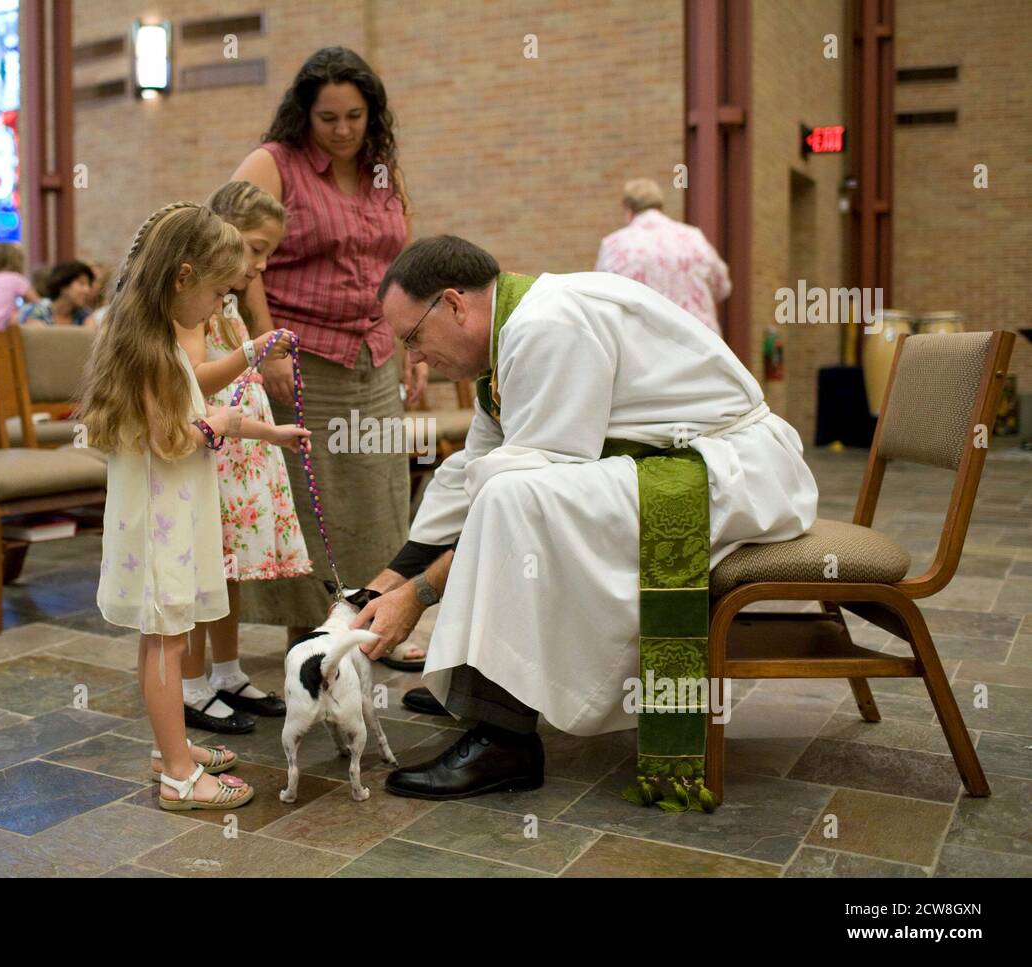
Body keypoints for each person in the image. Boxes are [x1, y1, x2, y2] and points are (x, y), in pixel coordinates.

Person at [348, 236, 817, 800]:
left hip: (732, 475)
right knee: (497, 486)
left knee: (516, 500)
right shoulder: (508, 341)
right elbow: (466, 475)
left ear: (454, 304)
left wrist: (417, 596)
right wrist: (373, 591)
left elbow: (519, 495)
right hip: (685, 462)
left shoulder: (547, 326)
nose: (414, 358)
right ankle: (480, 679)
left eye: (413, 338)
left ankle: (504, 737)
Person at [79, 202, 309, 810]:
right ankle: (180, 777)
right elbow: (175, 436)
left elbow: (194, 396)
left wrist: (267, 432)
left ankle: (168, 746)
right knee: (166, 640)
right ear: (182, 278)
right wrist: (227, 423)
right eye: (215, 293)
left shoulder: (155, 337)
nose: (217, 309)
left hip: (172, 512)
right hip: (160, 520)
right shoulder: (148, 348)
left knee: (169, 635)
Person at [229, 46, 430, 668]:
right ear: (304, 115)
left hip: (371, 350)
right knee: (313, 501)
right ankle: (314, 632)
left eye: (355, 116)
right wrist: (265, 348)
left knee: (378, 494)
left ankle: (378, 623)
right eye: (328, 118)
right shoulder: (274, 164)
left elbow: (397, 260)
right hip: (301, 354)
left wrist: (412, 340)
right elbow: (237, 252)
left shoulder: (379, 168)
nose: (343, 130)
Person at [173, 181, 314, 734]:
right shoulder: (192, 304)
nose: (261, 264)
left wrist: (269, 432)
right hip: (202, 451)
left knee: (226, 568)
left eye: (269, 253)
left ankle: (227, 672)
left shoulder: (226, 304)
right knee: (198, 571)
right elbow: (194, 381)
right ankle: (188, 685)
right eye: (255, 248)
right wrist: (253, 350)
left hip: (239, 448)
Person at [595, 178, 732, 335]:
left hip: (646, 346)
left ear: (628, 210)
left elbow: (602, 298)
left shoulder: (614, 244)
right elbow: (723, 286)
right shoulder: (693, 237)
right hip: (701, 342)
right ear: (660, 207)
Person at [19, 259, 94, 326]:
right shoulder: (39, 311)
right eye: (82, 283)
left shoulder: (83, 314)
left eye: (89, 285)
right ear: (63, 286)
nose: (87, 290)